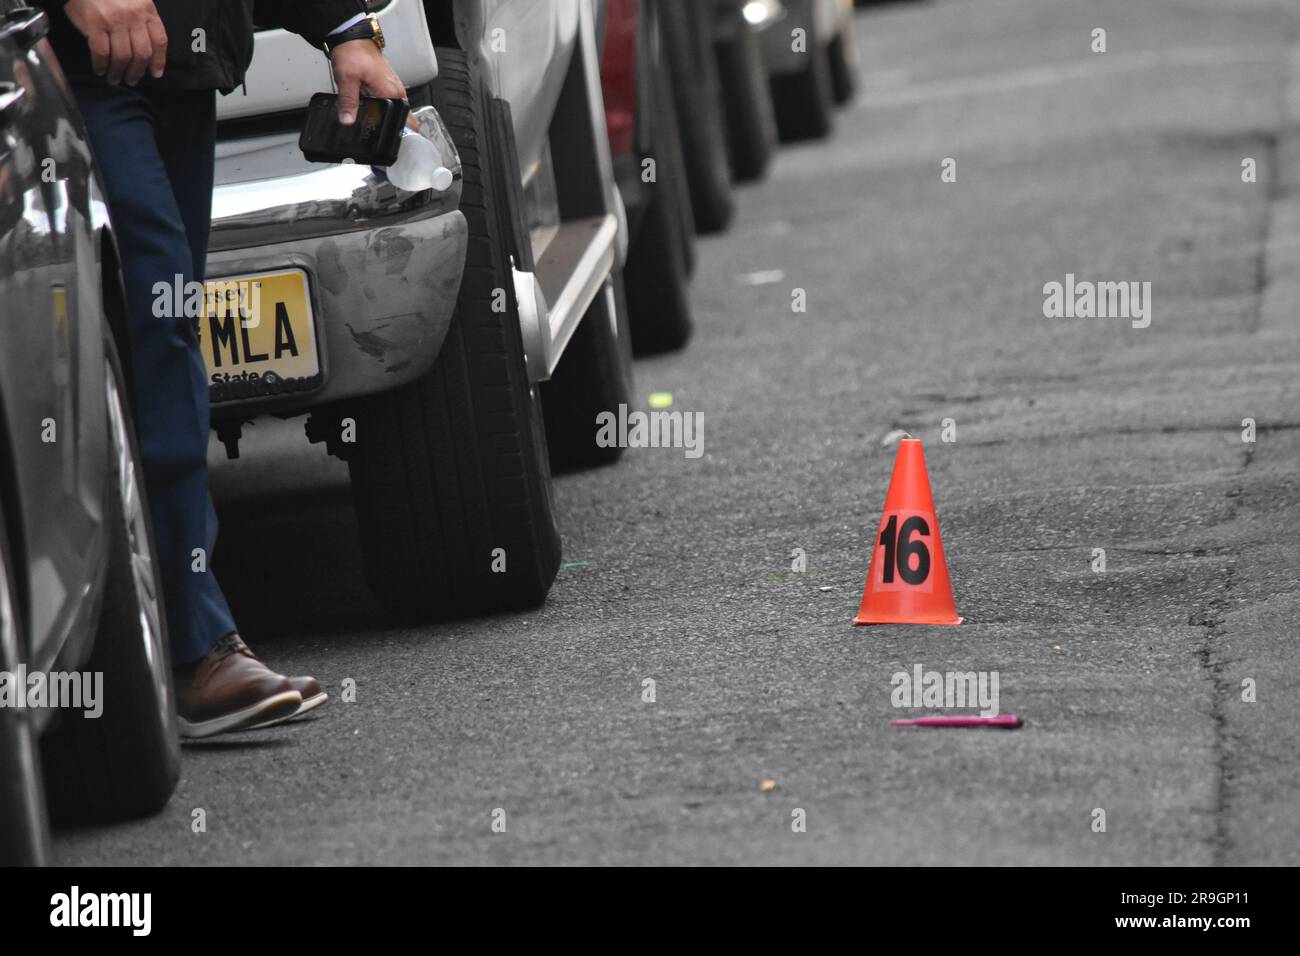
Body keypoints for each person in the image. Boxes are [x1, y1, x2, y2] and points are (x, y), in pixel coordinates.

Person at [35, 0, 407, 737]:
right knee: (156, 332)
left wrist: (342, 28)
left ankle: (183, 645)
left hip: (180, 64)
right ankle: (193, 648)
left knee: (166, 336)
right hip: (75, 71)